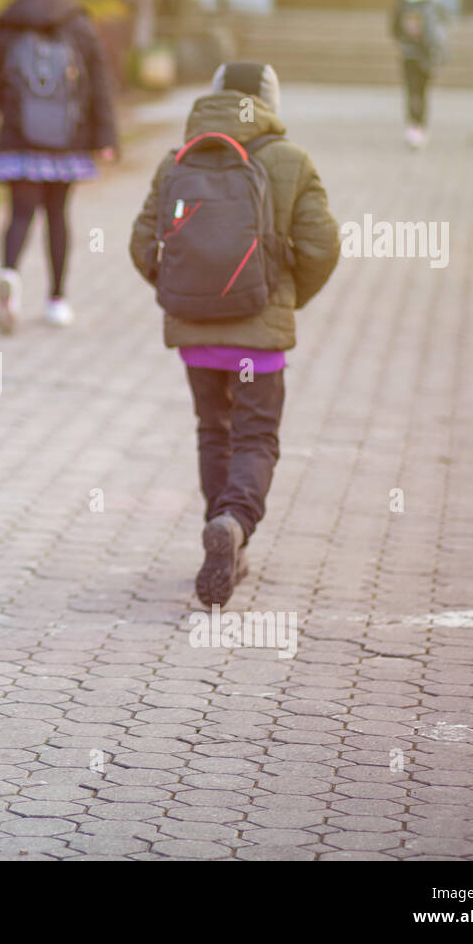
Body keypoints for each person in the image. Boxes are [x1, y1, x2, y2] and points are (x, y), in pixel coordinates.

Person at [128, 62, 340, 608]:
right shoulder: (290, 160)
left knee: (213, 429)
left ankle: (220, 535)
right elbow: (322, 247)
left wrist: (181, 292)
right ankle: (234, 524)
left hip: (198, 335)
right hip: (259, 339)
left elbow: (140, 245)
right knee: (254, 435)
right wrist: (284, 297)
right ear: (271, 100)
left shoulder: (178, 159)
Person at [0, 0, 117, 333]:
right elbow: (98, 84)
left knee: (19, 214)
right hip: (66, 141)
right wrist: (105, 138)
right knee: (58, 216)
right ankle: (57, 299)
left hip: (18, 140)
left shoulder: (8, 21)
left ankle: (9, 274)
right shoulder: (77, 21)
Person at [390, 0, 447, 149]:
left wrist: (403, 40)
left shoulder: (404, 2)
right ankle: (420, 127)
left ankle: (412, 127)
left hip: (408, 54)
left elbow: (393, 28)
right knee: (422, 92)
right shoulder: (431, 3)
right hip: (426, 55)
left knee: (411, 91)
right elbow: (440, 29)